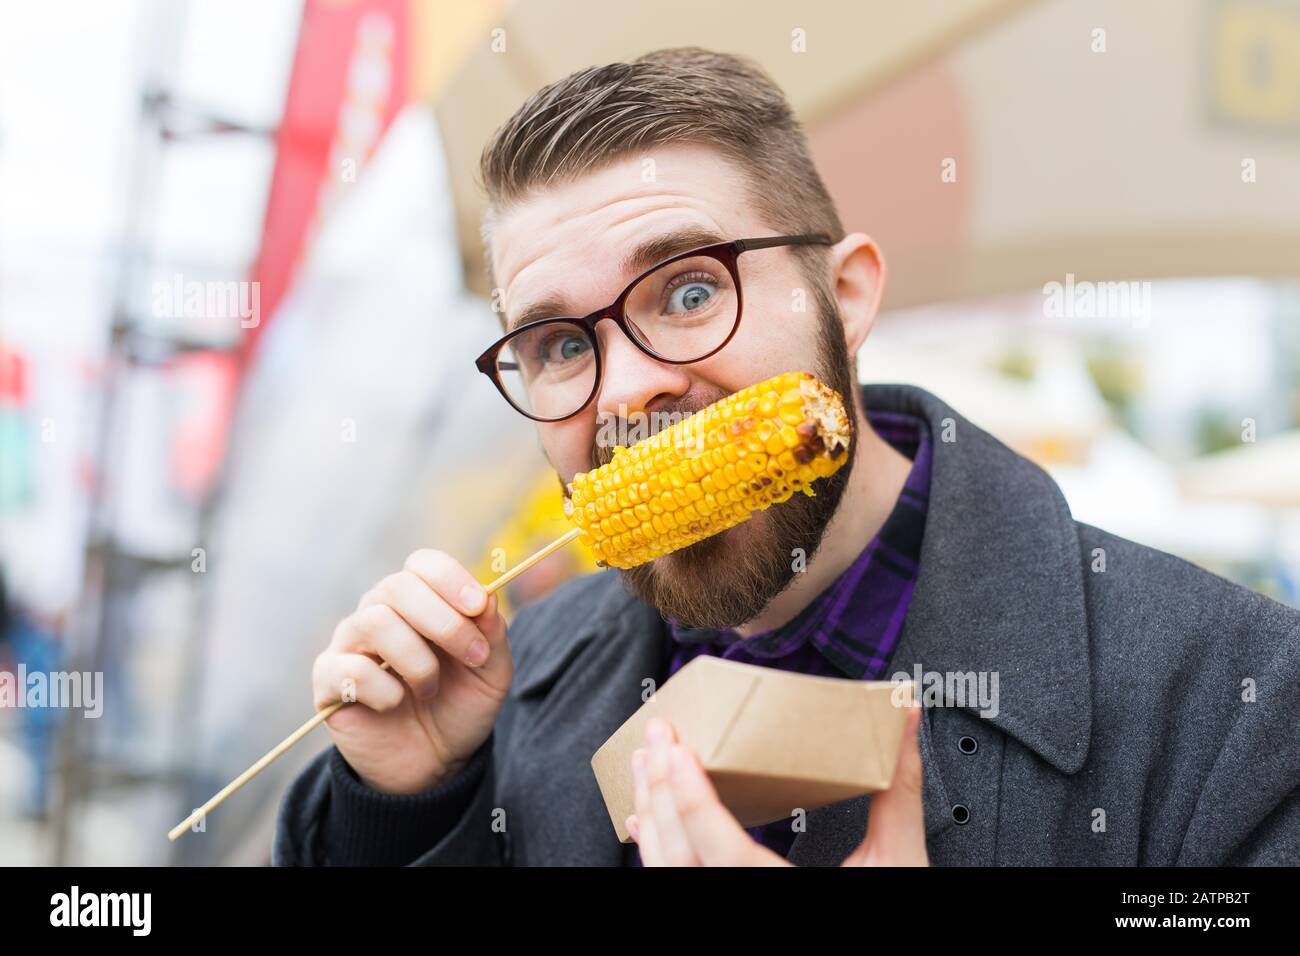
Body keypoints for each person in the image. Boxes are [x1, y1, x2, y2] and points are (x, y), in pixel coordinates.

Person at [274, 48, 1300, 866]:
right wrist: (407, 809)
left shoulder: (1235, 703)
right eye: (557, 344)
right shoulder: (500, 697)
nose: (627, 390)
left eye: (686, 291)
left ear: (845, 297)